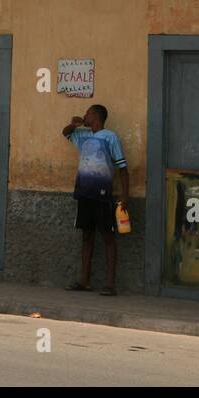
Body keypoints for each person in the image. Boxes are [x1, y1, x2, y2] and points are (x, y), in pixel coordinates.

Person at [63, 105, 129, 295]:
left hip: (102, 195)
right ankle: (84, 281)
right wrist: (73, 124)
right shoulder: (82, 136)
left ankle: (110, 284)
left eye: (88, 113)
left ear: (96, 116)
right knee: (86, 236)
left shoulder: (110, 137)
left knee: (108, 237)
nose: (85, 115)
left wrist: (124, 196)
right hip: (84, 193)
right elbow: (65, 133)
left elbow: (122, 168)